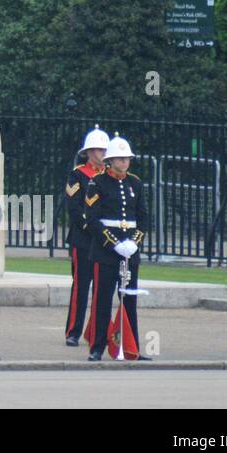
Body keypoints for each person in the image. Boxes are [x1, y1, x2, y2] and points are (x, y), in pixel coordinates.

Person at [83, 136, 151, 362]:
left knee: (129, 299)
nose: (125, 162)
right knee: (102, 300)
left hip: (130, 250)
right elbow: (92, 219)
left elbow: (143, 217)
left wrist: (134, 241)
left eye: (127, 159)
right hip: (106, 251)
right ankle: (97, 347)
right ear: (110, 161)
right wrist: (114, 243)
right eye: (120, 159)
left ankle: (131, 347)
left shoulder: (135, 183)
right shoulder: (97, 183)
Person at [65, 126, 109, 347]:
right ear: (89, 152)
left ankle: (96, 330)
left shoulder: (111, 177)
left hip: (105, 239)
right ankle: (73, 330)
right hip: (83, 238)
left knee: (103, 288)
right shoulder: (78, 175)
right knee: (81, 286)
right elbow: (73, 208)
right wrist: (93, 228)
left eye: (104, 150)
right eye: (98, 150)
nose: (102, 154)